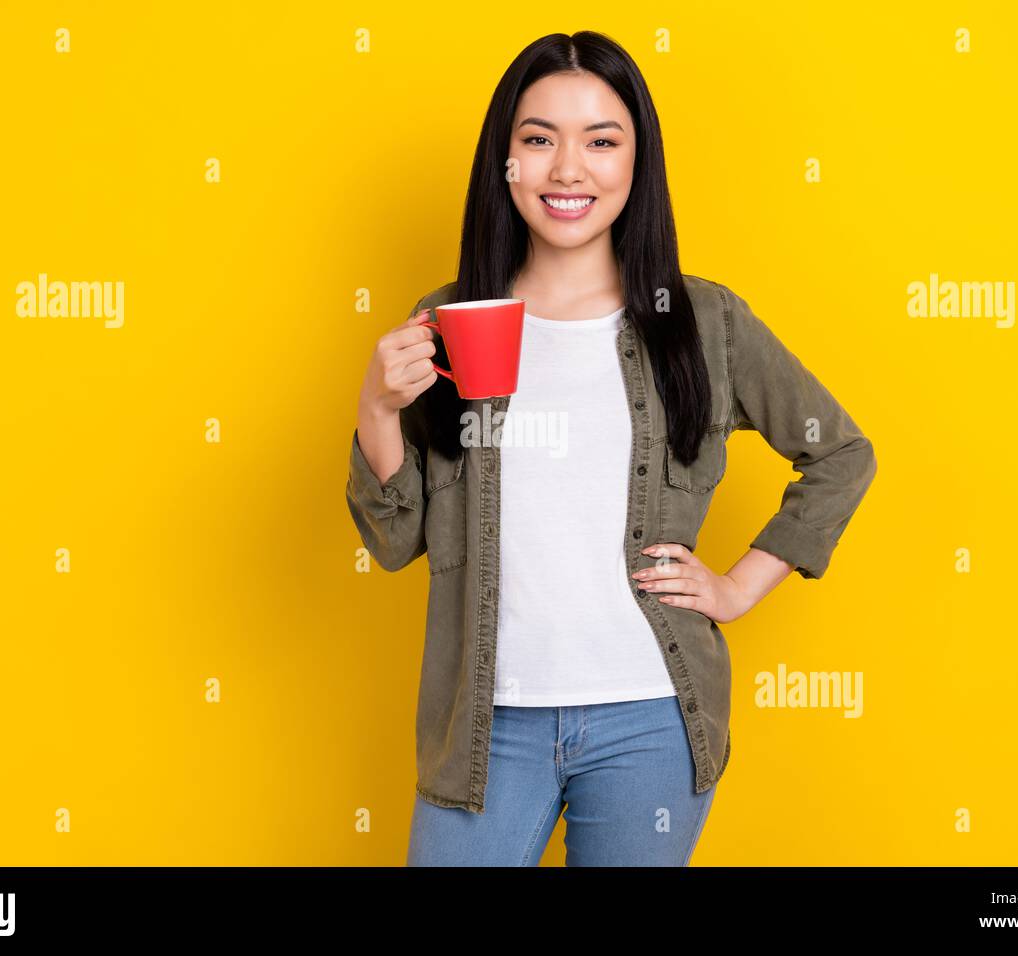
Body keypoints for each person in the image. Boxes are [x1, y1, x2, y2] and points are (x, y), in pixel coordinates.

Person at [348, 31, 877, 866]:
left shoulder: (705, 324)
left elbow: (841, 453)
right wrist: (378, 411)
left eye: (601, 140)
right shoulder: (445, 319)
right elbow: (394, 541)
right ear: (506, 162)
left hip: (650, 720)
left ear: (638, 163)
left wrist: (739, 586)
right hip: (485, 726)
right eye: (538, 139)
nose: (568, 168)